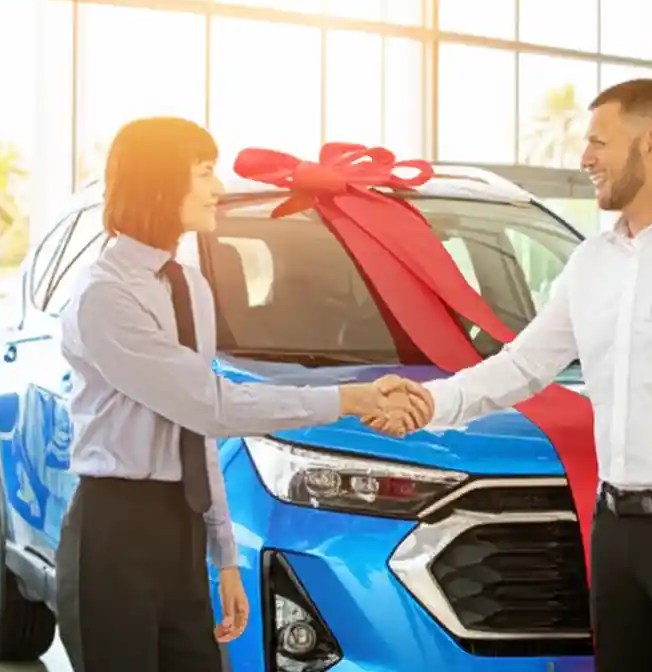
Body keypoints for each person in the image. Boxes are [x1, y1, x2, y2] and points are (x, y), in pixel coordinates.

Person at [372, 79, 652, 671]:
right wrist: (431, 403)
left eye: (598, 142)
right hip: (613, 528)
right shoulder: (592, 263)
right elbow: (525, 365)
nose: (585, 159)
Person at [54, 116, 429, 671]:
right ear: (159, 183)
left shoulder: (190, 286)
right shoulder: (105, 297)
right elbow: (212, 404)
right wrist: (350, 400)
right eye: (204, 173)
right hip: (116, 531)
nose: (219, 188)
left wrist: (222, 557)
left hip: (181, 525)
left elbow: (198, 432)